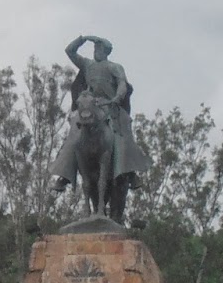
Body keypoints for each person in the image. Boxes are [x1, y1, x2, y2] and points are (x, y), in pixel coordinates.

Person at [48, 34, 151, 201]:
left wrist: (118, 96)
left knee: (123, 130)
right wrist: (82, 39)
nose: (96, 51)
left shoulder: (114, 67)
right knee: (74, 131)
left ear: (106, 51)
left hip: (110, 106)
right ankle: (65, 175)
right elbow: (70, 51)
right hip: (90, 106)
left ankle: (130, 172)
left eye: (99, 49)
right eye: (95, 48)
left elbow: (122, 84)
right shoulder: (87, 64)